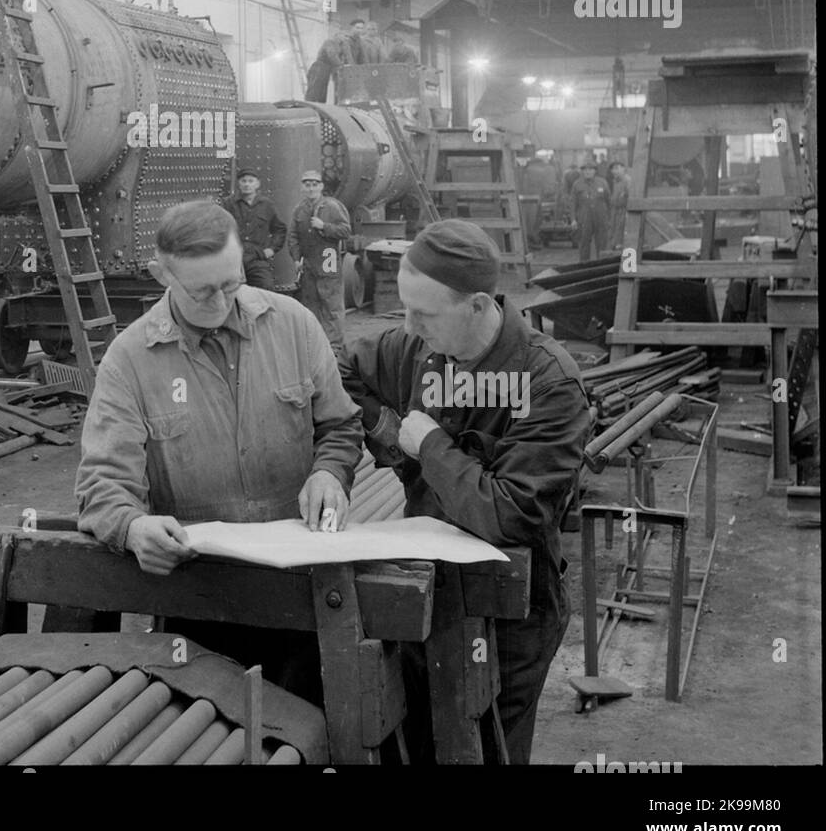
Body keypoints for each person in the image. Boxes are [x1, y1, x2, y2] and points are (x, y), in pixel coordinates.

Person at [75, 201, 362, 696]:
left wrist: (330, 473)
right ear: (161, 273)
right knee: (202, 732)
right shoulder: (129, 361)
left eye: (230, 284)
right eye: (202, 291)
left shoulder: (294, 325)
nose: (221, 301)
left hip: (302, 588)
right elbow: (102, 483)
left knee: (306, 728)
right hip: (198, 600)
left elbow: (340, 426)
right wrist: (132, 526)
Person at [340, 219, 590, 763]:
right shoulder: (414, 348)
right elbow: (340, 369)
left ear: (477, 306)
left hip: (510, 612)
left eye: (424, 314)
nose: (408, 325)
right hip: (425, 591)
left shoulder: (548, 384)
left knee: (487, 749)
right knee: (423, 741)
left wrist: (428, 444)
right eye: (405, 309)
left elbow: (510, 514)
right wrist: (386, 432)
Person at [287, 170, 352, 356]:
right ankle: (315, 345)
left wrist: (324, 226)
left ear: (321, 186)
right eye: (307, 184)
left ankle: (335, 348)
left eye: (314, 184)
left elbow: (346, 231)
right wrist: (296, 258)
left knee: (331, 306)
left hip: (328, 263)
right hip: (308, 265)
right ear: (302, 187)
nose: (311, 188)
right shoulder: (299, 210)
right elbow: (293, 237)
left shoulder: (332, 206)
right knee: (311, 306)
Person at [220, 170, 286, 290]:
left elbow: (279, 230)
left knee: (267, 289)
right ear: (238, 184)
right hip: (234, 258)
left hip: (257, 259)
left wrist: (271, 249)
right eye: (243, 181)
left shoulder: (267, 205)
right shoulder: (228, 204)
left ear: (257, 184)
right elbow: (219, 228)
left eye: (251, 181)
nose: (247, 184)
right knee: (230, 292)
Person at [571, 159, 611, 262]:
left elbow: (609, 202)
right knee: (584, 243)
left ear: (595, 171)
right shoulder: (577, 184)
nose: (587, 172)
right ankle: (584, 267)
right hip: (584, 218)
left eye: (590, 169)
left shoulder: (602, 182)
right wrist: (573, 219)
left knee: (602, 243)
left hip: (600, 218)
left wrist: (609, 218)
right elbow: (573, 203)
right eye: (585, 170)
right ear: (582, 172)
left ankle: (603, 266)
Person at [607, 160, 630, 252]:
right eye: (613, 169)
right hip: (615, 211)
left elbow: (630, 198)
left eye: (617, 168)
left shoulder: (627, 181)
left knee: (622, 235)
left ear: (623, 169)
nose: (614, 171)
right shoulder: (615, 181)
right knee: (614, 232)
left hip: (624, 212)